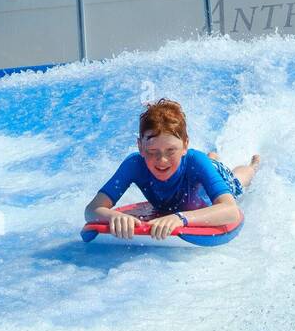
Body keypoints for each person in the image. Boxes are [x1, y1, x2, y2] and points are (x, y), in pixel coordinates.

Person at [84, 98, 260, 240]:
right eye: (152, 151)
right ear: (140, 146)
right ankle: (211, 155)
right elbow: (91, 210)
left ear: (185, 145)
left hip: (207, 169)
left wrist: (181, 218)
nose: (162, 160)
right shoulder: (134, 165)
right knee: (205, 162)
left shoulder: (194, 161)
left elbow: (231, 211)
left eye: (171, 150)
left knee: (237, 181)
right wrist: (113, 217)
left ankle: (253, 164)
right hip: (196, 166)